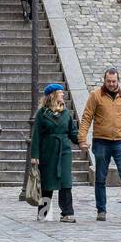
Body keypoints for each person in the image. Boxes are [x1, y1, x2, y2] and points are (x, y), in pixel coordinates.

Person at [79, 68, 121, 223]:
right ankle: (101, 209)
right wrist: (82, 139)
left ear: (118, 81)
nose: (111, 84)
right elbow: (87, 117)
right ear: (104, 80)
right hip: (101, 141)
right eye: (108, 81)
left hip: (120, 143)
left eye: (114, 81)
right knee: (100, 178)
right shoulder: (96, 95)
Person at [31, 83, 80, 222]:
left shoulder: (66, 113)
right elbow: (36, 136)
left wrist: (81, 141)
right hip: (48, 151)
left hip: (64, 151)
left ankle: (67, 213)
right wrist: (35, 155)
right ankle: (43, 213)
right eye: (60, 92)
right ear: (52, 95)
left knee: (66, 182)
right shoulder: (42, 114)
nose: (63, 94)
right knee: (47, 183)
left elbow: (72, 132)